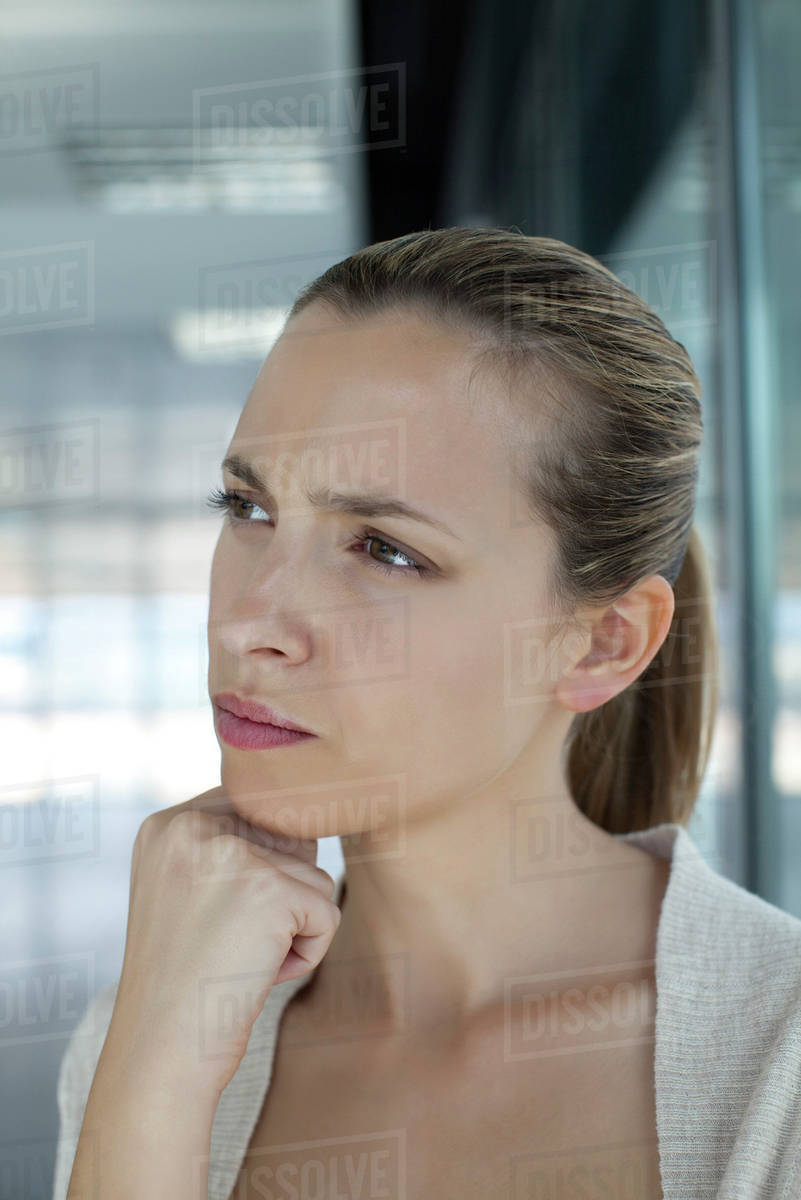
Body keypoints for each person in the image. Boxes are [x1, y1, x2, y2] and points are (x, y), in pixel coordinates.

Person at [53, 228, 801, 1200]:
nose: (250, 624)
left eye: (385, 550)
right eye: (248, 507)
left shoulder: (774, 1065)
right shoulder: (152, 1033)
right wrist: (147, 1088)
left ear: (604, 642)